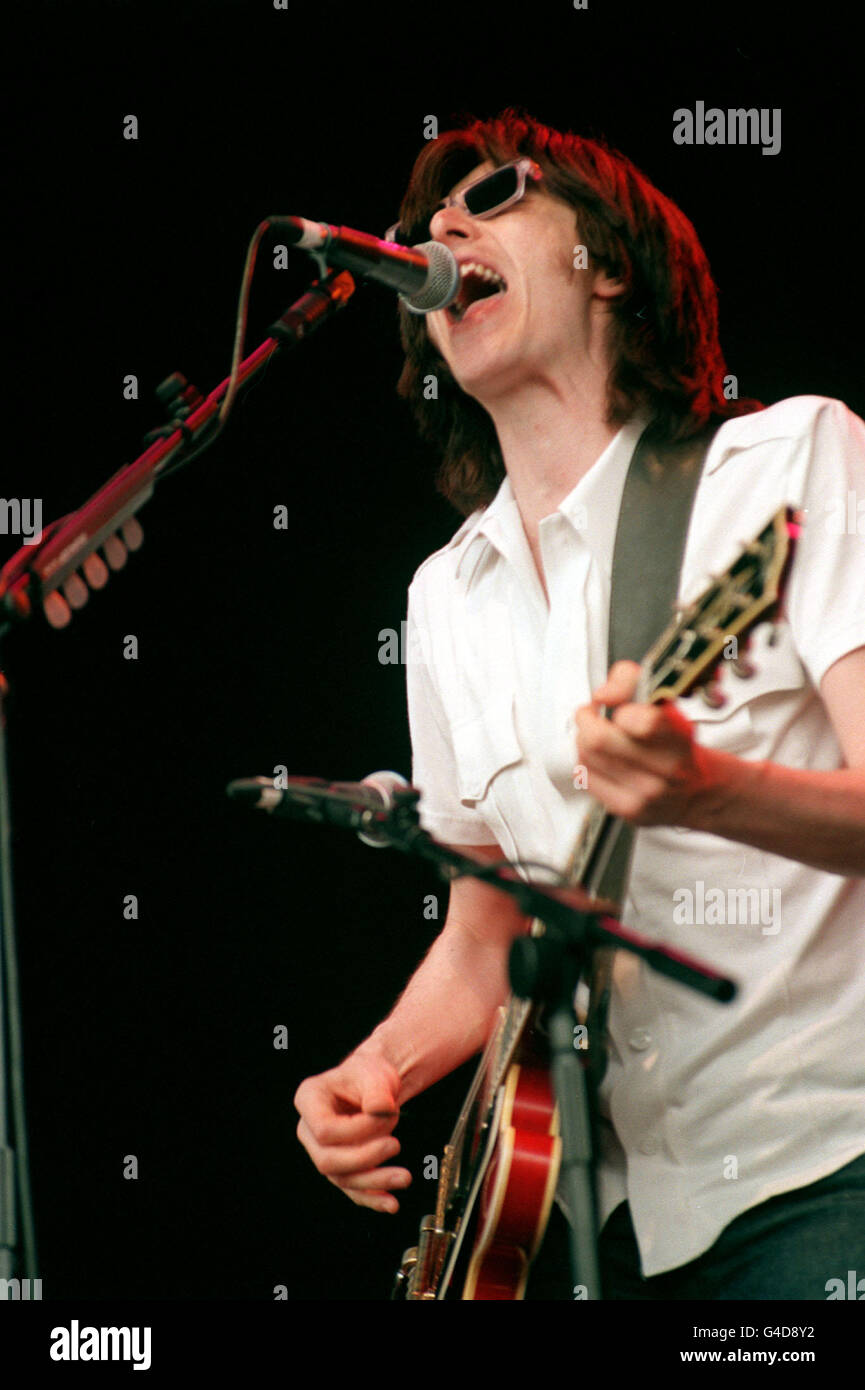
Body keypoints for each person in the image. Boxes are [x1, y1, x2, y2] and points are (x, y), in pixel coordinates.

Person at [294, 108, 865, 1299]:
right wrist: (380, 1071)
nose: (439, 229)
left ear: (604, 261)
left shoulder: (790, 464)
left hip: (823, 1174)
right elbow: (488, 928)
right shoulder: (445, 597)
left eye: (489, 197)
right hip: (609, 1228)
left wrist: (714, 789)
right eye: (420, 225)